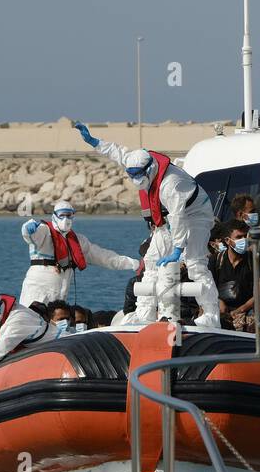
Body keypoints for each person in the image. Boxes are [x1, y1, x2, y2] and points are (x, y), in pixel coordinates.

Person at [74, 122, 221, 327]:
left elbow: (179, 216)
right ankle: (144, 313)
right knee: (152, 260)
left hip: (196, 214)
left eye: (138, 175)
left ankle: (211, 314)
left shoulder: (170, 185)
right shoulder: (137, 162)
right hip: (170, 219)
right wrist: (94, 142)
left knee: (195, 263)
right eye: (131, 175)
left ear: (150, 169)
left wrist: (178, 249)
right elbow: (117, 151)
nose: (135, 179)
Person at [19, 199, 137, 306]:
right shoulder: (44, 231)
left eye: (69, 215)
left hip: (59, 296)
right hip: (37, 291)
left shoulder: (78, 241)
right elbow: (30, 235)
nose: (65, 219)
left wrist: (133, 264)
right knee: (29, 321)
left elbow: (104, 257)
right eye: (62, 215)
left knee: (55, 324)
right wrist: (27, 228)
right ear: (54, 216)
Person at [214, 219, 255, 331]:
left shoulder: (254, 261)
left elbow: (259, 293)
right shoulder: (216, 260)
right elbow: (209, 287)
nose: (244, 240)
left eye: (245, 236)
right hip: (221, 308)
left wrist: (241, 310)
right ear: (228, 240)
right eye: (239, 237)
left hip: (246, 309)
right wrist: (219, 302)